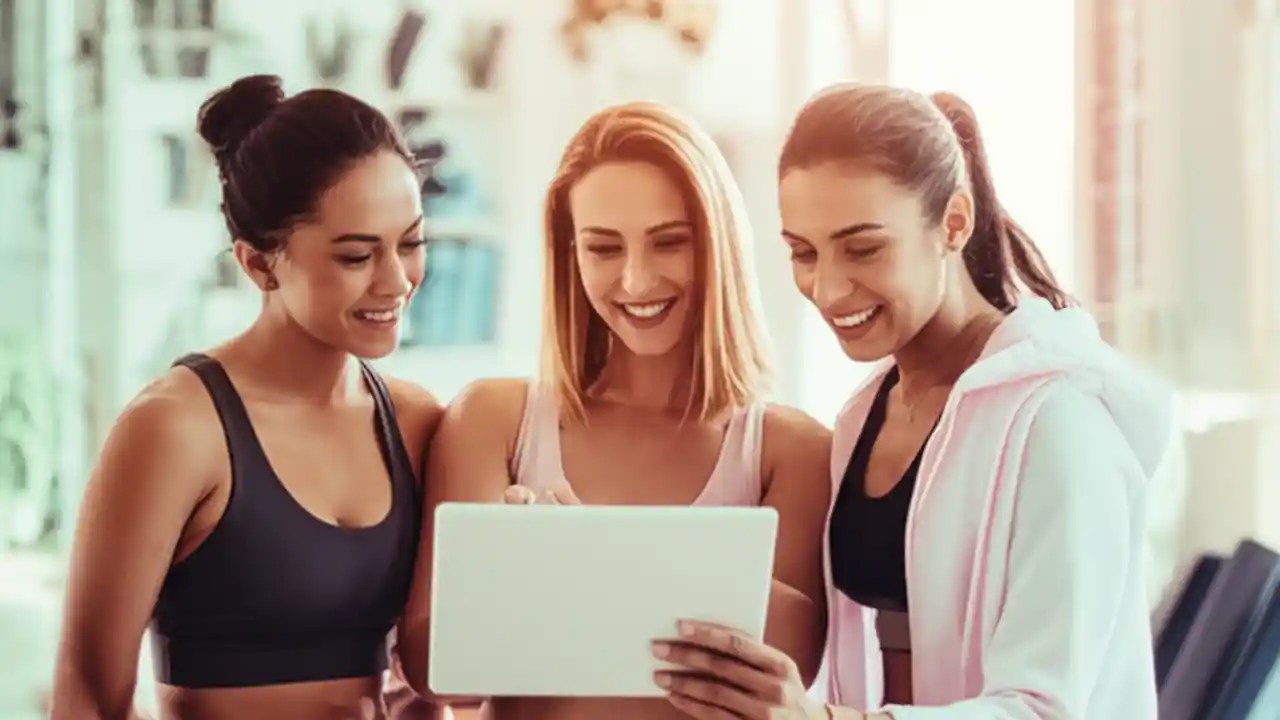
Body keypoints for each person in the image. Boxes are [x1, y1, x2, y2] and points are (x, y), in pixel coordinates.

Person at [652, 84, 1171, 719]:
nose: (829, 288)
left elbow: (1044, 709)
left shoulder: (1061, 423)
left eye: (864, 248)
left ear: (954, 222)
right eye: (803, 253)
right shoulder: (862, 418)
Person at [394, 101, 832, 720]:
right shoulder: (493, 419)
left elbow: (784, 665)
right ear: (570, 255)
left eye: (669, 243)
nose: (635, 280)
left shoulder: (791, 449)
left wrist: (565, 565)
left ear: (719, 247)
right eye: (603, 249)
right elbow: (436, 670)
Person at [50, 74, 441, 720]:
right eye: (355, 256)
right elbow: (85, 698)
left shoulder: (418, 422)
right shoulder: (176, 429)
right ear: (259, 264)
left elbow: (433, 684)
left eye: (411, 243)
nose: (397, 280)